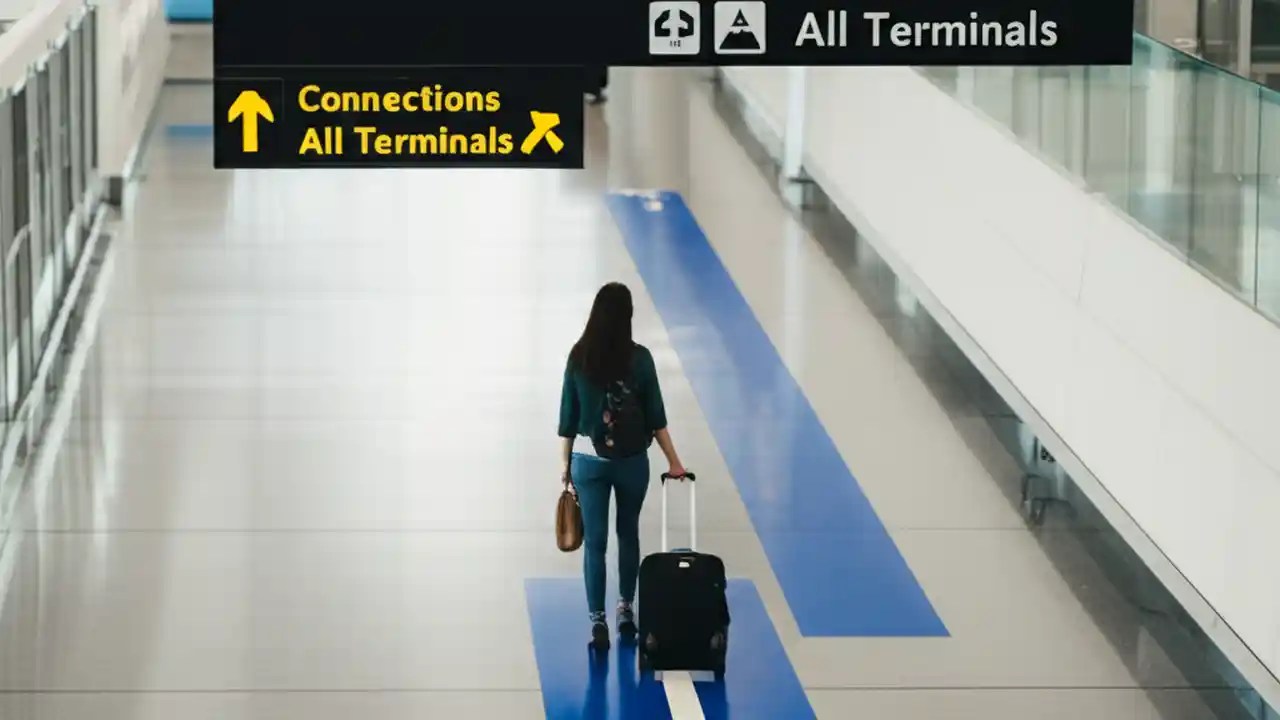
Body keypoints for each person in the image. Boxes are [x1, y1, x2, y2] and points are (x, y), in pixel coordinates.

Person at [559, 282, 687, 650]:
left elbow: (568, 417)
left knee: (594, 543)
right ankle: (625, 609)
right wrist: (674, 462)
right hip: (632, 461)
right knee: (628, 533)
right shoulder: (641, 359)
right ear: (628, 316)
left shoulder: (578, 357)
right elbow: (657, 417)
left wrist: (565, 466)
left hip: (588, 460)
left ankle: (597, 621)